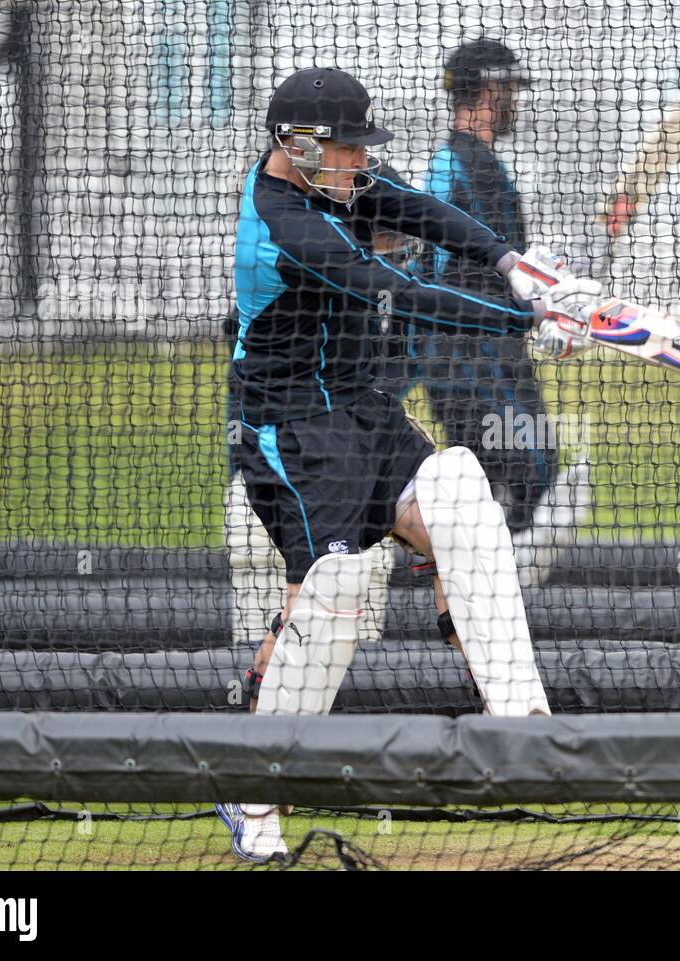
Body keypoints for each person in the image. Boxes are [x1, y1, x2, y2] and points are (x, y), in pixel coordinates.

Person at [215, 66, 603, 863]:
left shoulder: (339, 175)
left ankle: (525, 731)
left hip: (366, 412)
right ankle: (253, 789)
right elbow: (398, 286)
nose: (364, 162)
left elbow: (417, 212)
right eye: (350, 148)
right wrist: (528, 317)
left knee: (462, 494)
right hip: (290, 432)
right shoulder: (283, 223)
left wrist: (511, 264)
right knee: (334, 589)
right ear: (298, 144)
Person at [379, 40, 591, 581]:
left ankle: (490, 590)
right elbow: (438, 269)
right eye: (510, 91)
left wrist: (544, 293)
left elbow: (501, 260)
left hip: (486, 351)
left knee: (514, 482)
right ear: (490, 90)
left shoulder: (481, 165)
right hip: (470, 358)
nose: (515, 102)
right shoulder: (458, 164)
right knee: (532, 476)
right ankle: (494, 593)